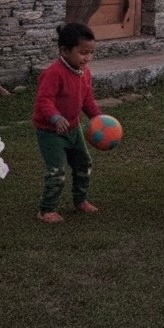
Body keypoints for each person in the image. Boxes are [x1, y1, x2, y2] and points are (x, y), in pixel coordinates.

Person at [32, 22, 103, 224]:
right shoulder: (53, 73)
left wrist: (98, 118)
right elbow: (44, 100)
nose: (87, 58)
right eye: (82, 53)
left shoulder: (85, 73)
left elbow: (87, 99)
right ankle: (46, 210)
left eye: (91, 53)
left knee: (84, 163)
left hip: (73, 129)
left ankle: (80, 200)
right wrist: (55, 117)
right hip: (50, 132)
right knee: (57, 171)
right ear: (64, 50)